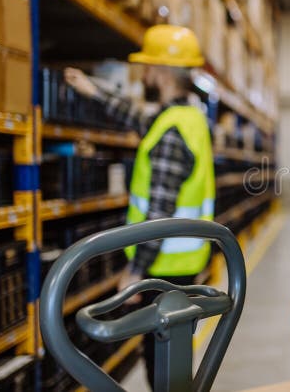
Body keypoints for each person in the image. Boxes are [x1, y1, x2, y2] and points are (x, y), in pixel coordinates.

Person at [64, 24, 215, 389]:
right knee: (173, 363)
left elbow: (158, 215)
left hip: (162, 273)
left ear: (161, 73)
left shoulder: (171, 133)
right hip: (181, 268)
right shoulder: (186, 119)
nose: (143, 74)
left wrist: (136, 270)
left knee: (162, 369)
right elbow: (140, 119)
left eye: (147, 67)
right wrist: (94, 91)